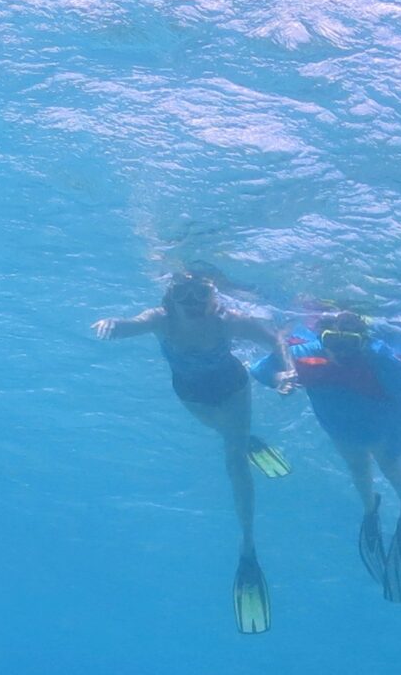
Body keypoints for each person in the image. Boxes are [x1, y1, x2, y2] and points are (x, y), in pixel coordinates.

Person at [92, 268, 292, 634]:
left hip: (232, 388)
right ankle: (241, 439)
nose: (194, 303)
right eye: (184, 295)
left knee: (233, 461)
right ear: (170, 298)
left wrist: (287, 371)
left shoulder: (227, 321)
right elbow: (129, 325)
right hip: (191, 394)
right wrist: (112, 325)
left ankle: (247, 544)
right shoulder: (160, 320)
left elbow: (275, 338)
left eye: (201, 294)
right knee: (227, 437)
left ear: (213, 296)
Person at [259, 309, 401, 603]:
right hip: (340, 429)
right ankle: (370, 508)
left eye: (349, 343)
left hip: (380, 429)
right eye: (332, 342)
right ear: (320, 338)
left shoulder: (380, 358)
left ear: (362, 342)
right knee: (356, 467)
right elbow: (262, 368)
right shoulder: (304, 353)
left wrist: (395, 443)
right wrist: (279, 380)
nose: (339, 351)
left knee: (391, 466)